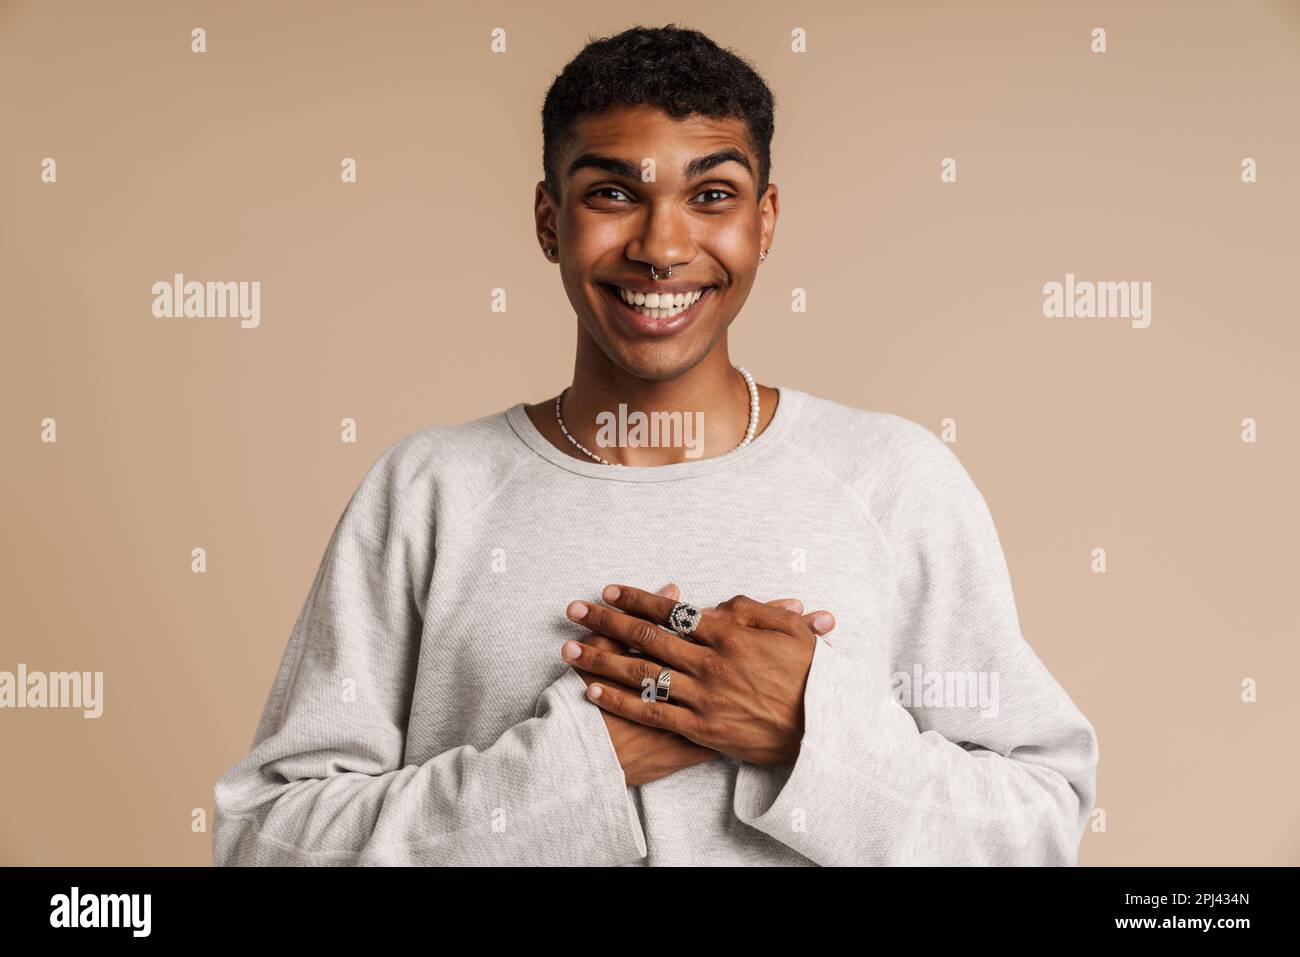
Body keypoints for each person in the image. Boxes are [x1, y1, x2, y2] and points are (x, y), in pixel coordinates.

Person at [212, 23, 1098, 866]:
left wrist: (806, 728)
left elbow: (1036, 827)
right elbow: (265, 842)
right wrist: (580, 764)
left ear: (765, 219)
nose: (662, 246)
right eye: (611, 194)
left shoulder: (896, 482)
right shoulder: (430, 490)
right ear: (549, 218)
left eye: (711, 195)